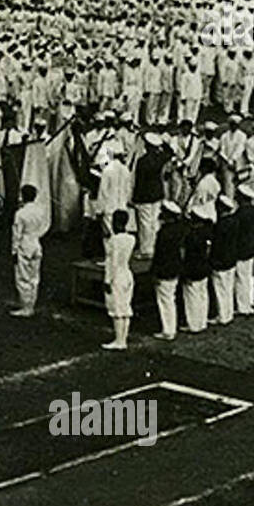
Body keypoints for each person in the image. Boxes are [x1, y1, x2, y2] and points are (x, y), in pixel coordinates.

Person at [10, 183, 50, 318]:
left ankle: (26, 306)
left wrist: (14, 250)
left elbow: (17, 234)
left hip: (25, 244)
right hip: (36, 242)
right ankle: (31, 304)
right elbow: (44, 227)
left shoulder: (20, 214)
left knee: (23, 276)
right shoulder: (40, 211)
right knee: (34, 275)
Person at [150, 200, 186, 341]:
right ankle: (171, 327)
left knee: (165, 301)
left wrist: (154, 271)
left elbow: (160, 255)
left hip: (165, 270)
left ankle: (168, 330)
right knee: (170, 299)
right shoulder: (178, 230)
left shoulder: (164, 233)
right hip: (175, 268)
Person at [101, 208, 136, 351]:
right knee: (125, 307)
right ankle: (123, 338)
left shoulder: (114, 241)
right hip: (127, 274)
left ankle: (119, 340)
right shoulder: (131, 239)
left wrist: (108, 280)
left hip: (117, 276)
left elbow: (113, 262)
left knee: (116, 308)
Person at [131, 132, 170, 259]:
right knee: (154, 222)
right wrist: (163, 142)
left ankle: (146, 249)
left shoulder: (142, 161)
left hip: (145, 195)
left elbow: (139, 181)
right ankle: (153, 246)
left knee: (145, 224)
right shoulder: (160, 158)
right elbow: (170, 152)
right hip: (157, 194)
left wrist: (134, 197)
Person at [182, 204, 213, 333]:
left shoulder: (192, 236)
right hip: (203, 267)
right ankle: (202, 320)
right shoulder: (206, 233)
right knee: (202, 295)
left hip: (193, 268)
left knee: (192, 296)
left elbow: (186, 254)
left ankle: (194, 324)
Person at [209, 195, 238, 325]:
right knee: (229, 287)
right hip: (232, 258)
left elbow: (217, 245)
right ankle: (230, 312)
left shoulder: (220, 226)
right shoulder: (233, 221)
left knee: (221, 289)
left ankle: (224, 315)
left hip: (222, 260)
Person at [233, 184, 254, 317]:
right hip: (252, 245)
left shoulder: (240, 214)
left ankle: (244, 306)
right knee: (252, 274)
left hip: (242, 247)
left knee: (242, 278)